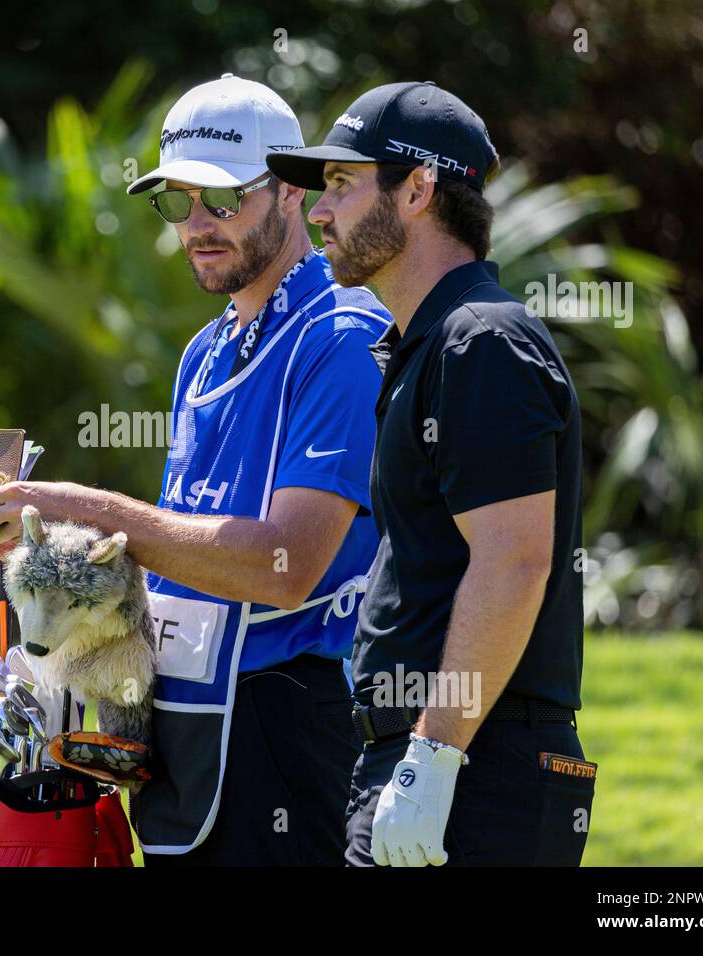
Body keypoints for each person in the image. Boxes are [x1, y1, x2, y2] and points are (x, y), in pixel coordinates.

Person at [0, 74, 391, 864]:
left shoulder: (344, 334)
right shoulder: (205, 350)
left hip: (289, 731)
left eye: (223, 200)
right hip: (181, 732)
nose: (196, 226)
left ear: (291, 192)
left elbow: (285, 567)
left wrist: (97, 509)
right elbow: (177, 559)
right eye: (177, 202)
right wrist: (65, 560)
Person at [267, 81, 594, 866]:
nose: (318, 212)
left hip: (473, 765)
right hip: (423, 757)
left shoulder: (479, 340)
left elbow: (514, 561)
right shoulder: (425, 344)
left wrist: (435, 755)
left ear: (417, 190)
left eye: (342, 184)